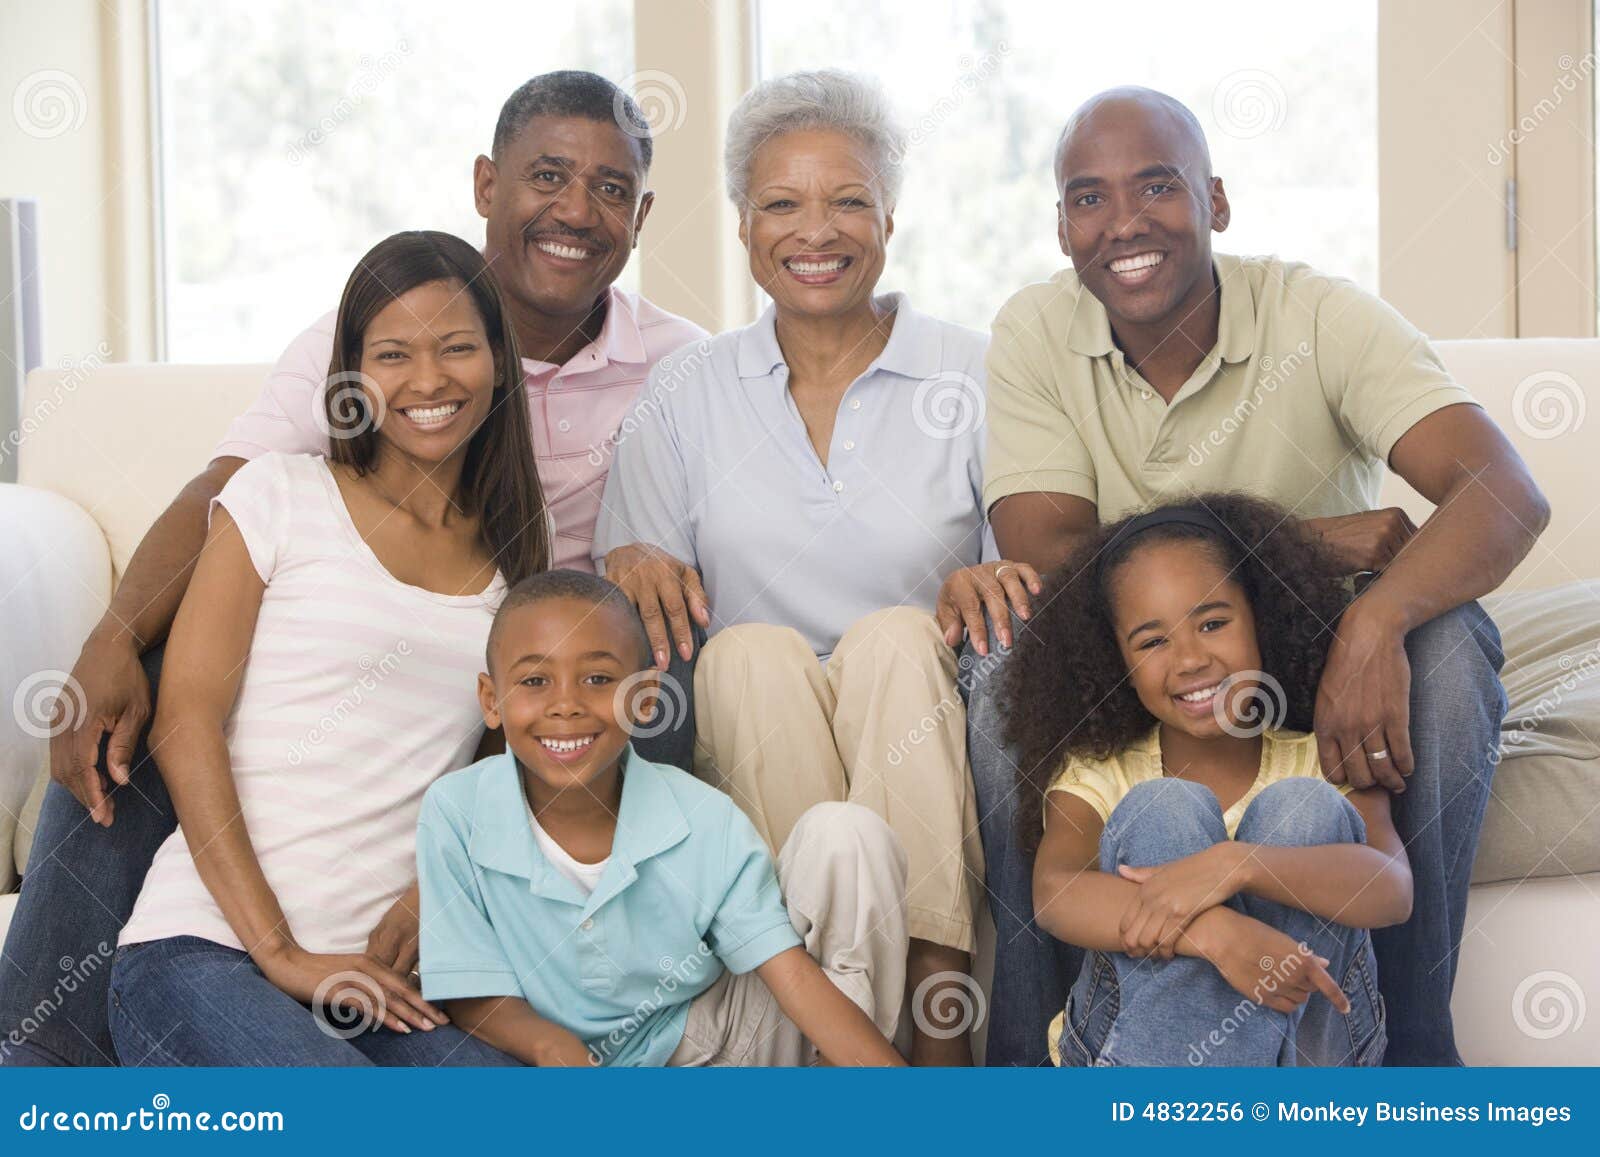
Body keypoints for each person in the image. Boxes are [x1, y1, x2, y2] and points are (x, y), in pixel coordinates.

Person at [3, 70, 704, 1067]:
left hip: (509, 690)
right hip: (286, 770)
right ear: (484, 185)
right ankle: (40, 1065)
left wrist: (644, 547)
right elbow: (224, 487)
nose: (574, 209)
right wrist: (113, 631)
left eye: (606, 188)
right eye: (546, 176)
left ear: (639, 214)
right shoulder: (314, 442)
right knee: (143, 683)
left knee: (638, 674)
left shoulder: (681, 375)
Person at [969, 86, 1546, 1066]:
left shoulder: (1315, 311)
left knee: (1444, 649)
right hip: (1135, 642)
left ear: (1215, 201)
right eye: (1088, 198)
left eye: (1156, 186)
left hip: (1323, 638)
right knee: (996, 669)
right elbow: (1057, 560)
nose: (1123, 223)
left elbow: (1503, 491)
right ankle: (1030, 1060)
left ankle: (1409, 1048)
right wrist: (1305, 541)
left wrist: (1372, 625)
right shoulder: (1034, 328)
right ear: (1063, 226)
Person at [593, 70, 1034, 1065]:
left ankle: (933, 1022)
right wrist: (626, 559)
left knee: (891, 638)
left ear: (889, 217)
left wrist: (981, 575)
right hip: (753, 719)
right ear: (745, 225)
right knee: (745, 654)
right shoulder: (688, 391)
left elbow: (1028, 571)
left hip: (930, 709)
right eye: (781, 204)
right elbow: (633, 587)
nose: (815, 231)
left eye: (846, 201)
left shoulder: (974, 373)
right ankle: (821, 1012)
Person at [107, 231, 541, 1066]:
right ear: (350, 374)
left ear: (497, 361)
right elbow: (186, 716)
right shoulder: (278, 494)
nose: (428, 379)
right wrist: (280, 950)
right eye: (393, 354)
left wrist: (429, 894)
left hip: (388, 988)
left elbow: (497, 779)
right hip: (207, 953)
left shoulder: (515, 566)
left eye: (457, 347)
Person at [417, 570, 908, 1067]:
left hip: (711, 1042)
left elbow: (792, 975)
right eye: (535, 681)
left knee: (848, 835)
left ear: (646, 697)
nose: (565, 705)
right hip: (558, 1063)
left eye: (597, 679)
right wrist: (550, 1046)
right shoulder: (456, 812)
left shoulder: (703, 817)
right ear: (490, 700)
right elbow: (468, 985)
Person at [1007, 493, 1410, 1066]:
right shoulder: (1102, 770)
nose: (1190, 659)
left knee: (1303, 809)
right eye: (1152, 641)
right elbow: (1057, 894)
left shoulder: (1324, 756)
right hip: (1136, 1046)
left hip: (1313, 1052)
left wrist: (1236, 864)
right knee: (1165, 810)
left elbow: (1391, 891)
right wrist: (1216, 934)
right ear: (1113, 660)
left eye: (1213, 622)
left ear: (1265, 617)